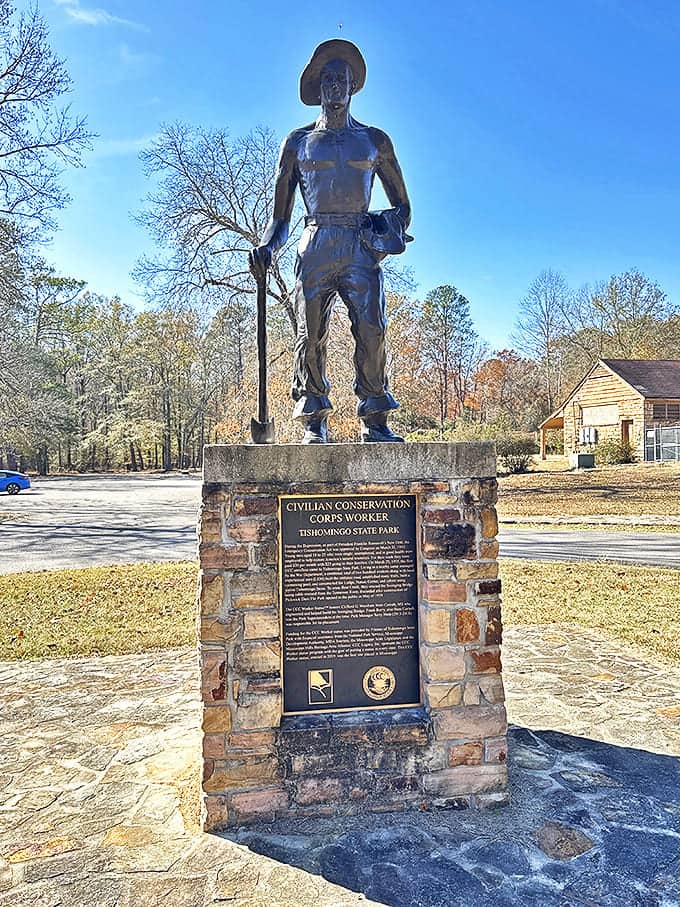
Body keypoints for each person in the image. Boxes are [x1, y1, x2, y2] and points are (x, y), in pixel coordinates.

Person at [249, 39, 412, 443]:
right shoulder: (297, 143)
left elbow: (403, 205)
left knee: (372, 329)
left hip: (360, 244)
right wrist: (268, 247)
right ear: (317, 87)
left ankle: (375, 416)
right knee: (310, 332)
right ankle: (313, 418)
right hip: (316, 240)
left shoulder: (375, 141)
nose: (334, 86)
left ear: (353, 86)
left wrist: (383, 235)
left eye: (342, 79)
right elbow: (280, 218)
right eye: (327, 79)